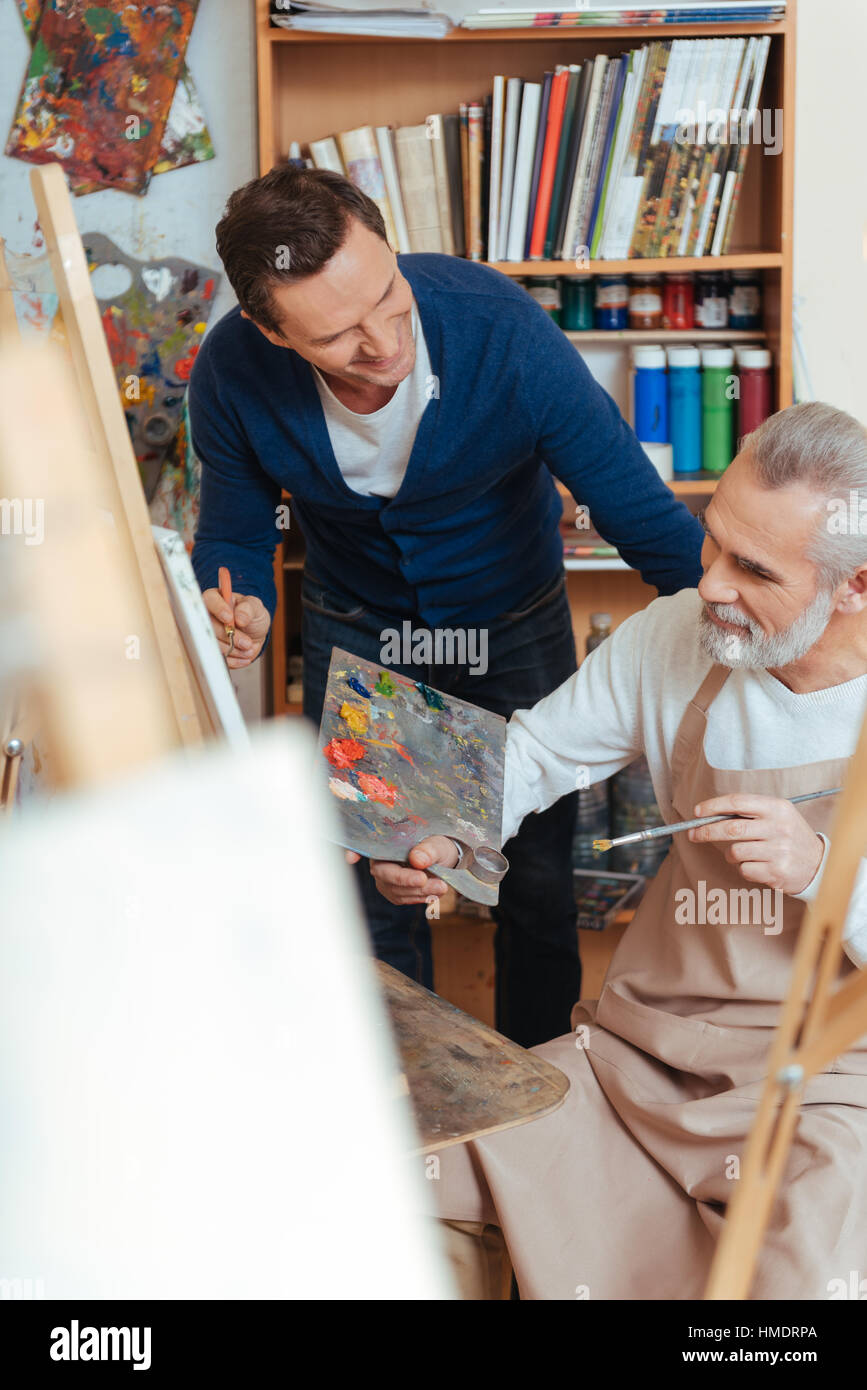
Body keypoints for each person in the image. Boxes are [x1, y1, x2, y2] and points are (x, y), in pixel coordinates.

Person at [189, 164, 704, 1047]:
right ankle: (409, 1098)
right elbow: (236, 534)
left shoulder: (498, 327)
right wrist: (236, 607)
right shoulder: (232, 372)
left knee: (535, 882)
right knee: (381, 880)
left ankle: (541, 1084)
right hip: (361, 629)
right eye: (339, 335)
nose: (384, 343)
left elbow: (639, 512)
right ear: (271, 332)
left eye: (389, 298)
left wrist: (747, 626)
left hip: (514, 622)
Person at [368, 401, 867, 1299]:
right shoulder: (676, 637)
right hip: (641, 1052)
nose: (709, 583)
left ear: (855, 585)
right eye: (712, 542)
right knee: (425, 1172)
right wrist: (428, 829)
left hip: (831, 1078)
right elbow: (531, 755)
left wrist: (823, 872)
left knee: (810, 1274)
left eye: (751, 568)